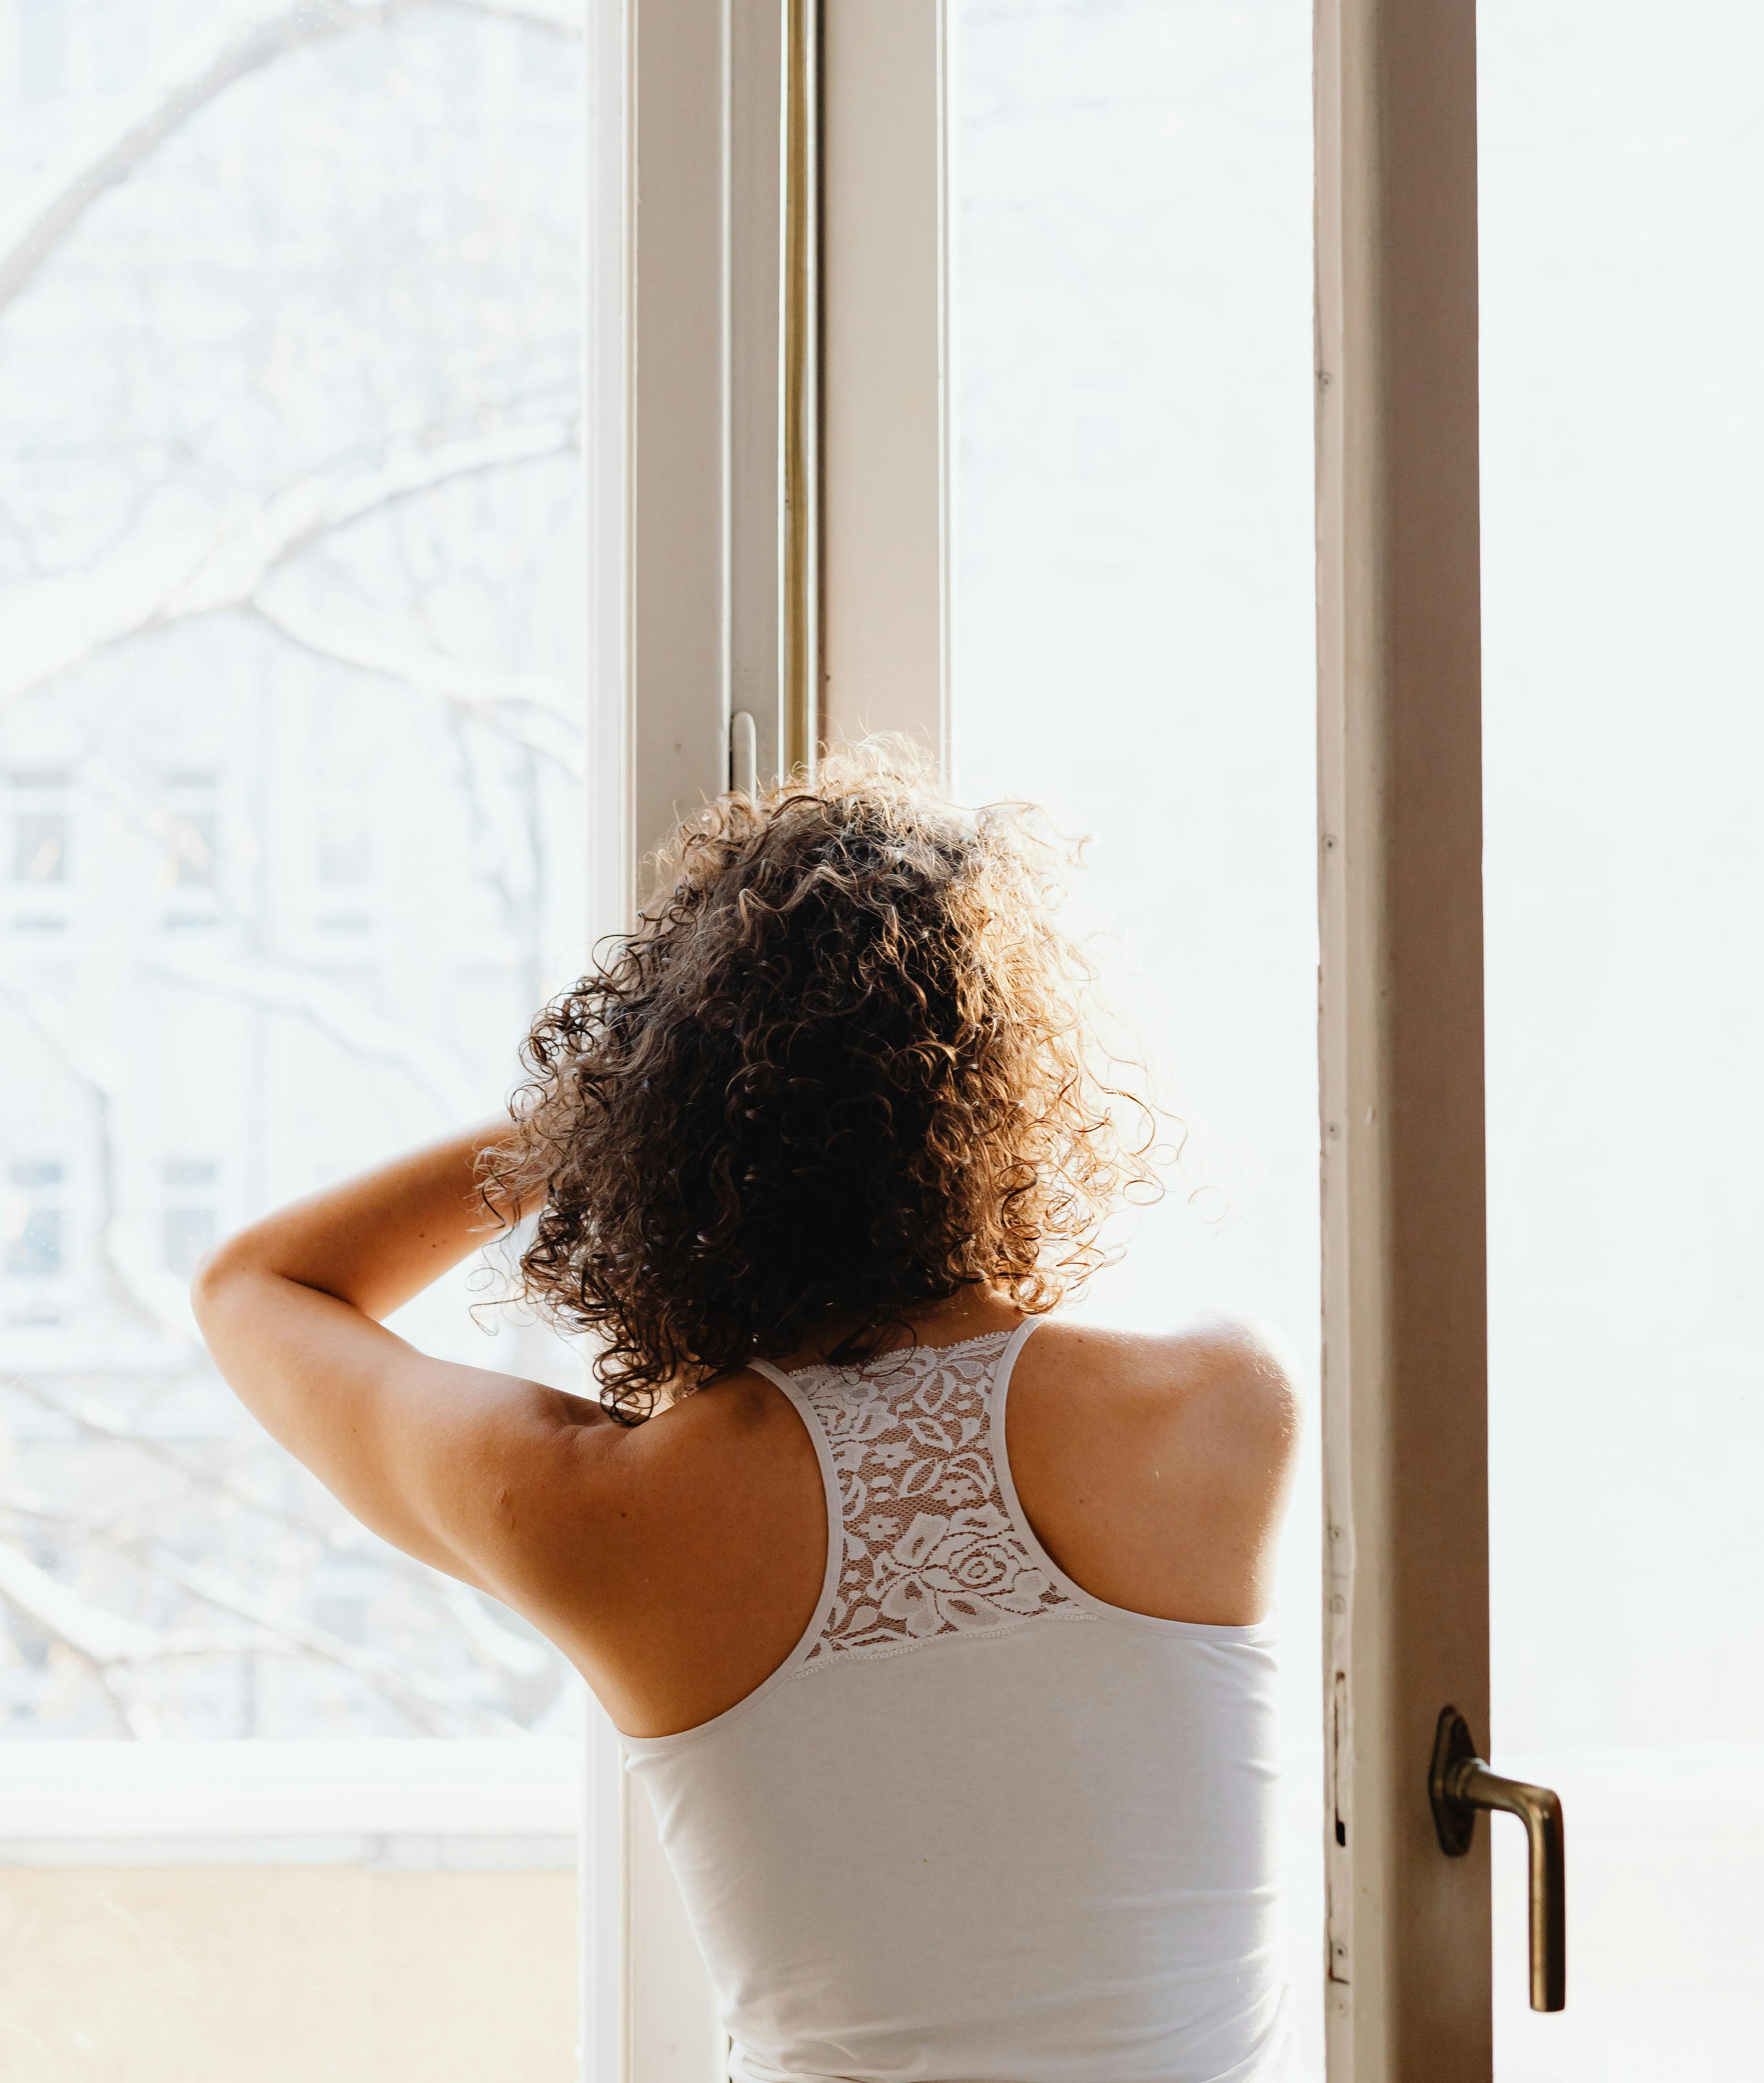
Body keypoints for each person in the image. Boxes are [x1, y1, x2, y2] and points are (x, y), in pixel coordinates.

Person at [193, 748, 1304, 2083]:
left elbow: (259, 1287)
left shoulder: (602, 1511)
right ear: (1015, 1099)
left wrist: (586, 1117)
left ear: (668, 1152)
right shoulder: (1220, 1406)